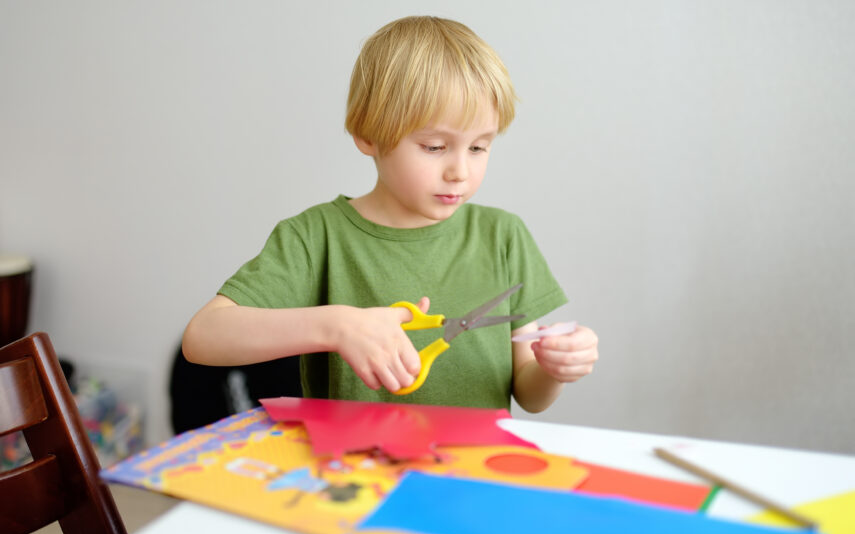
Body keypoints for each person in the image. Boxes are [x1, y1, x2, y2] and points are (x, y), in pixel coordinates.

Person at [182, 15, 598, 413]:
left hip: (471, 475)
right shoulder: (315, 237)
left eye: (479, 147)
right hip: (354, 476)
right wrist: (337, 326)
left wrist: (553, 369)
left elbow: (530, 395)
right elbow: (202, 338)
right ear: (368, 135)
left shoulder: (505, 236)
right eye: (435, 147)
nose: (460, 171)